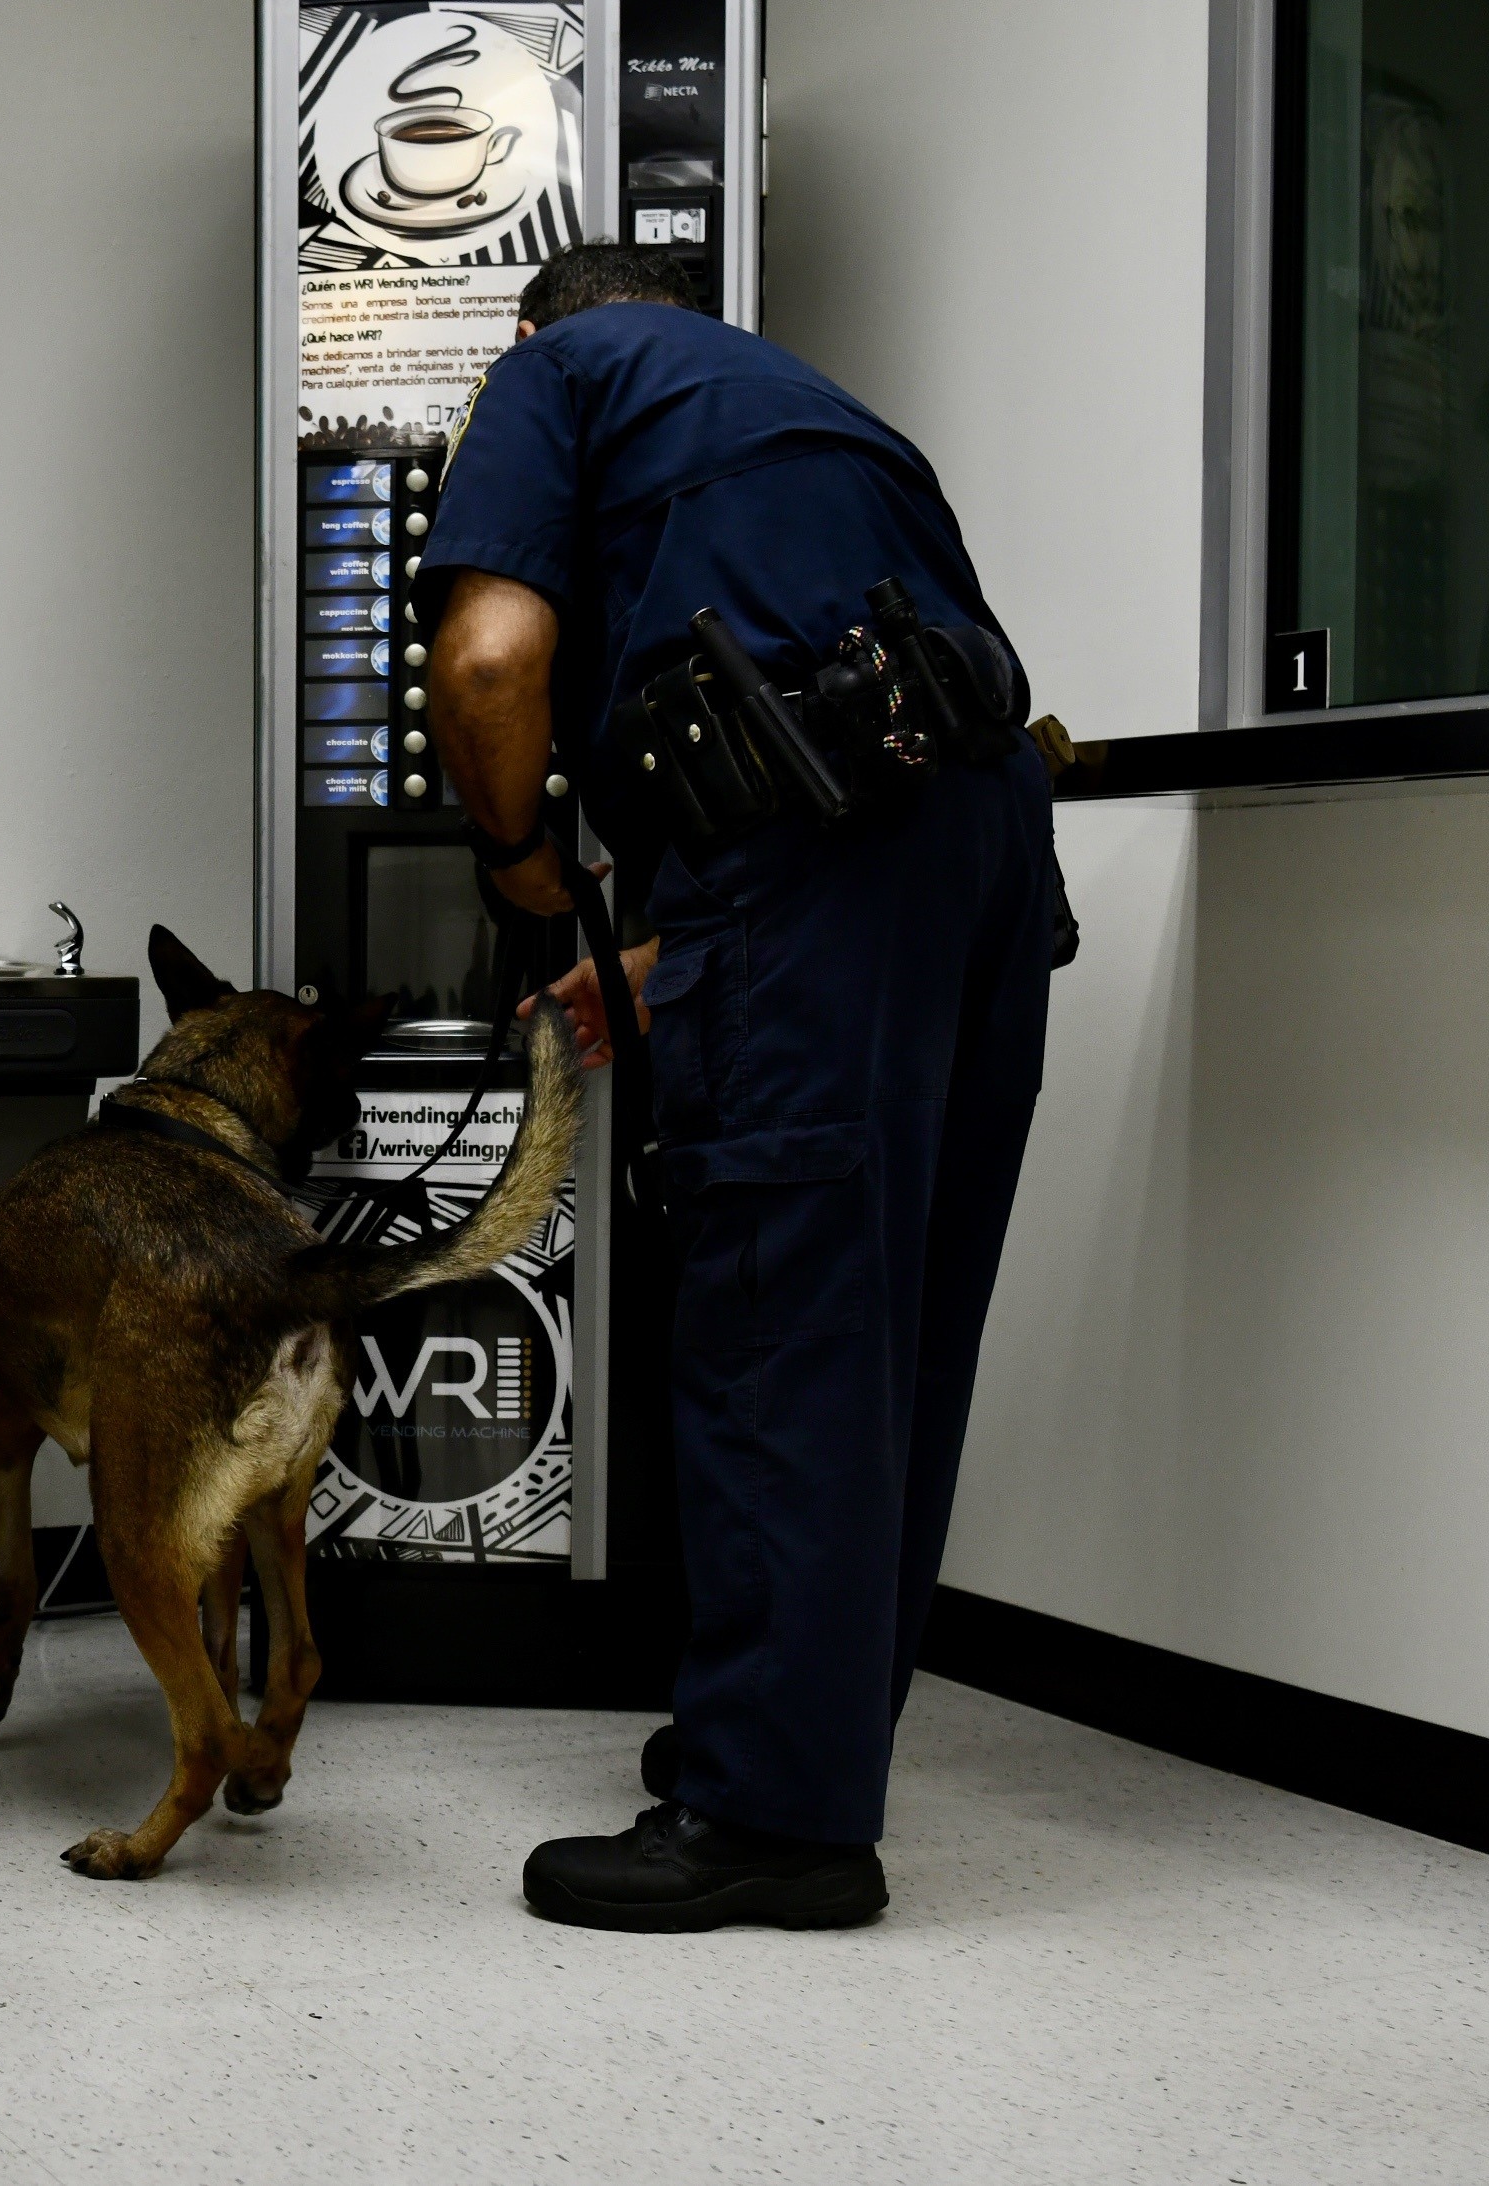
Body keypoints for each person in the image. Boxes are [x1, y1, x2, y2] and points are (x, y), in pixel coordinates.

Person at [416, 242, 1056, 1932]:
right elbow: (875, 727)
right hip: (986, 864)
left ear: (538, 326)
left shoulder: (554, 374)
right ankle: (801, 1737)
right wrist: (663, 958)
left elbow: (488, 666)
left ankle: (774, 1818)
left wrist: (518, 858)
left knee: (780, 1308)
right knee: (894, 1330)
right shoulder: (827, 414)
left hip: (815, 858)